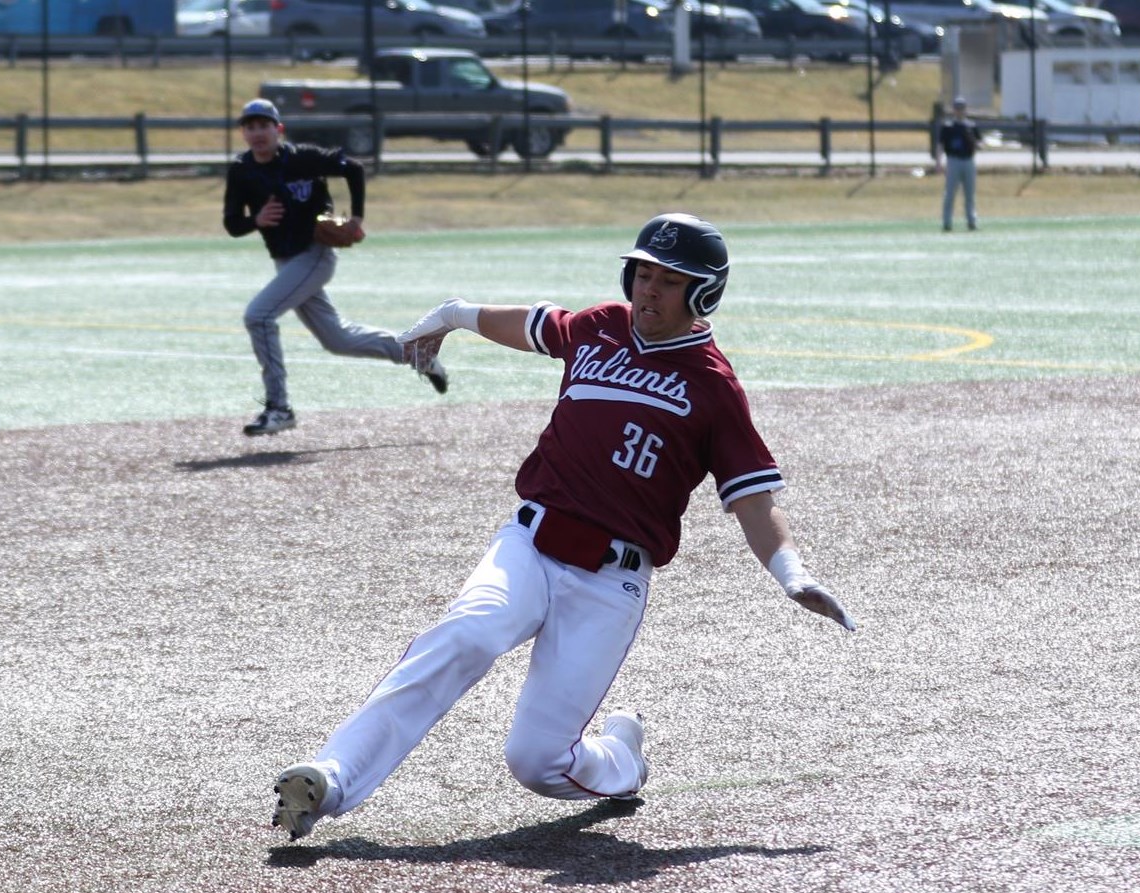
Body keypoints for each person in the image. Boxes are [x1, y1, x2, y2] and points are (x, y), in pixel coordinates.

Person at [270, 212, 855, 842]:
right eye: (642, 273)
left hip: (610, 583)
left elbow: (753, 498)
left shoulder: (713, 387)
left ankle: (622, 759)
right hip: (529, 541)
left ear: (704, 292)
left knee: (537, 760)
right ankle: (332, 777)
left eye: (669, 280)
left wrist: (793, 574)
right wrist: (456, 314)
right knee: (466, 634)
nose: (648, 290)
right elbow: (531, 325)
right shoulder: (600, 326)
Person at [222, 98, 448, 437]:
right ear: (243, 133)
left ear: (278, 129)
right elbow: (232, 224)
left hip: (314, 256)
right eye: (250, 126)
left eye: (263, 125)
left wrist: (356, 216)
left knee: (258, 316)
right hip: (286, 264)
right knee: (338, 339)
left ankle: (279, 407)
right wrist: (255, 220)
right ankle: (416, 352)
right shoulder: (242, 170)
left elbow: (353, 168)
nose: (257, 132)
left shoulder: (301, 159)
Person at [937, 95, 981, 233]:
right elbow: (940, 145)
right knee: (950, 193)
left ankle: (971, 221)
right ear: (953, 110)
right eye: (957, 108)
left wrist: (974, 141)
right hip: (953, 160)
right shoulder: (948, 126)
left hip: (968, 160)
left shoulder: (971, 126)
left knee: (970, 194)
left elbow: (979, 144)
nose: (959, 111)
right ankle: (947, 222)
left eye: (962, 108)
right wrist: (938, 162)